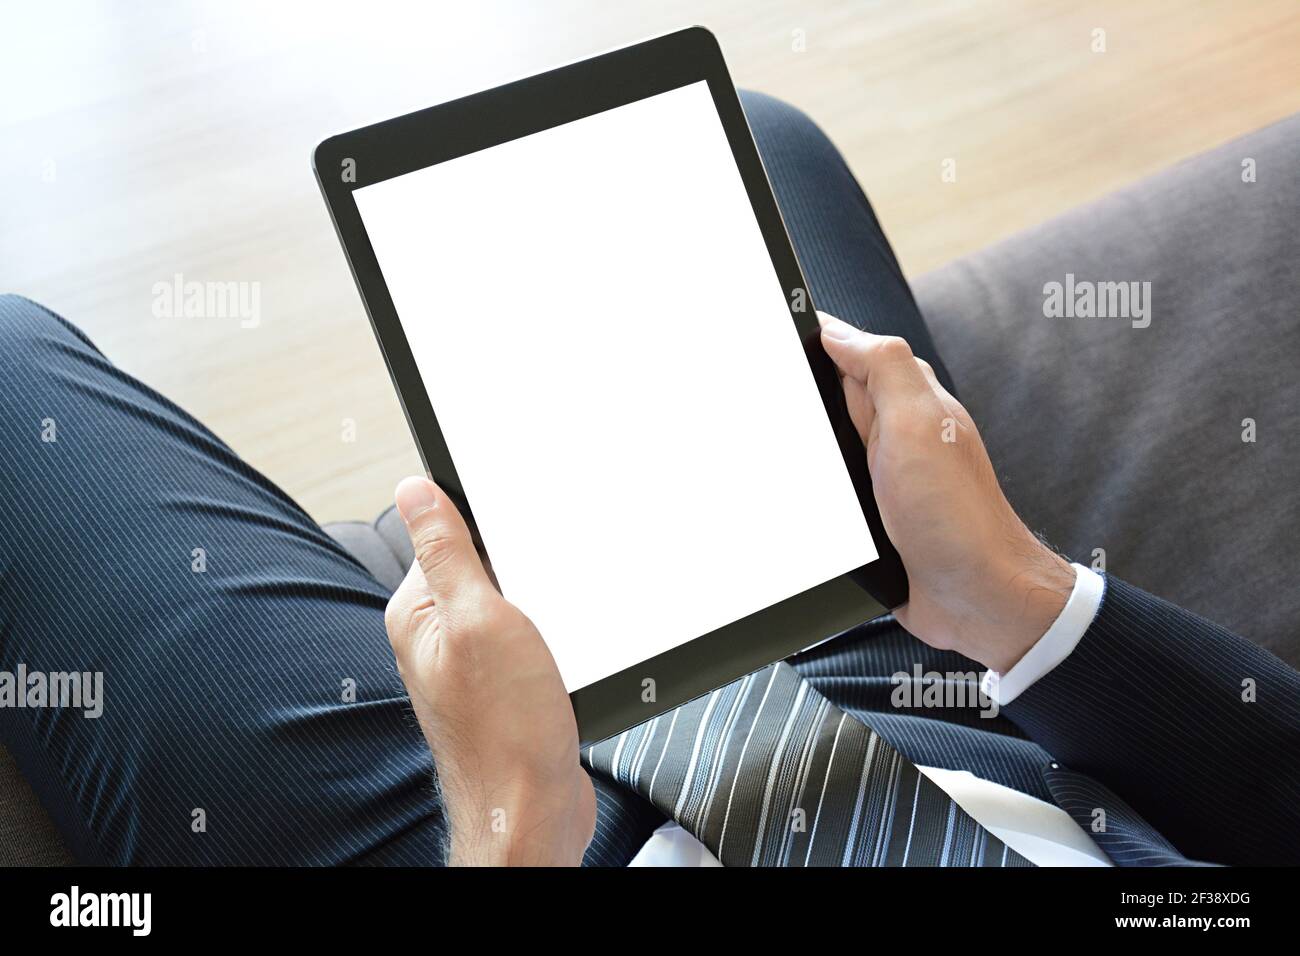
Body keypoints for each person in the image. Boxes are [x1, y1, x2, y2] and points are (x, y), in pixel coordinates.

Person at [1, 93, 1296, 867]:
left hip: (492, 839)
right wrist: (1011, 593)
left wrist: (510, 817)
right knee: (749, 143)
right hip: (935, 735)